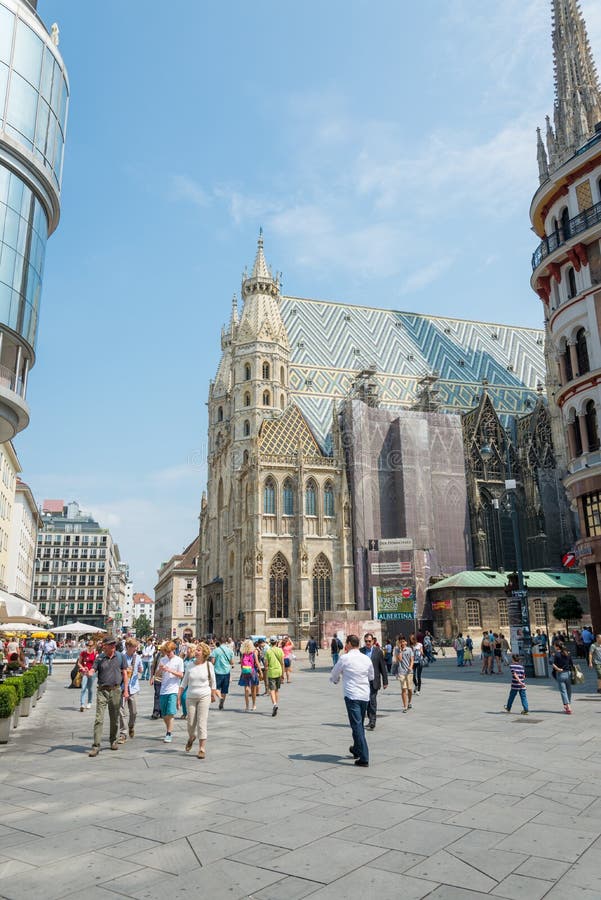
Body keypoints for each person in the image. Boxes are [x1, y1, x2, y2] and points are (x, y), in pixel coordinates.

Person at [330, 634, 374, 768]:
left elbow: (334, 674)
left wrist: (336, 680)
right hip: (364, 696)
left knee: (357, 725)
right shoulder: (366, 659)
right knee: (358, 723)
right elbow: (371, 676)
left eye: (346, 643)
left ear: (349, 643)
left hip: (352, 695)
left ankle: (364, 757)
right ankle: (356, 749)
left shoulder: (345, 658)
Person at [89, 637, 129, 757]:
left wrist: (126, 690)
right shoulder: (100, 658)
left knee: (114, 719)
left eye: (113, 645)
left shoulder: (120, 657)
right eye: (109, 645)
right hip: (102, 690)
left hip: (116, 690)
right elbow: (92, 670)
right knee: (99, 719)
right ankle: (96, 746)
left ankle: (113, 741)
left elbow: (125, 673)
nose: (112, 647)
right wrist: (88, 673)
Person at [178, 642, 218, 758]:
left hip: (204, 696)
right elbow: (184, 682)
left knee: (202, 722)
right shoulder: (190, 665)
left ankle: (201, 748)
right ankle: (191, 737)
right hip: (191, 696)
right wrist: (179, 696)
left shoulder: (208, 665)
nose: (196, 652)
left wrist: (213, 694)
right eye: (196, 650)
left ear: (204, 653)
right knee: (190, 724)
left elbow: (213, 682)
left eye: (198, 650)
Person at [360, 632, 388, 728]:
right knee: (366, 701)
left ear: (373, 641)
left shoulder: (378, 651)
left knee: (372, 700)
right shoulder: (361, 651)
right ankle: (369, 718)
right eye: (366, 641)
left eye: (369, 641)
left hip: (374, 680)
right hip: (363, 681)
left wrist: (385, 681)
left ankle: (372, 721)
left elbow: (382, 667)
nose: (368, 643)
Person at [158, 641, 184, 741]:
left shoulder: (179, 660)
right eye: (166, 652)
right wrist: (160, 670)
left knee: (171, 712)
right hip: (163, 689)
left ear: (174, 650)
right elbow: (158, 675)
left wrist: (169, 670)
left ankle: (169, 733)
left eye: (169, 652)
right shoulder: (162, 660)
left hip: (173, 689)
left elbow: (181, 675)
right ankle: (168, 727)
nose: (168, 654)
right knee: (164, 714)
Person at [118, 638, 143, 742]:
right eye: (134, 647)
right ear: (128, 647)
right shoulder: (120, 657)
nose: (135, 649)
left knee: (134, 712)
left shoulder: (137, 657)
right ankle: (123, 733)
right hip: (122, 687)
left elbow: (141, 669)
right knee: (121, 711)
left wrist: (138, 670)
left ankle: (131, 725)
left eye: (136, 647)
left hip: (133, 688)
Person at [210, 639, 235, 709]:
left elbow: (212, 662)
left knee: (216, 688)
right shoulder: (230, 651)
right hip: (227, 672)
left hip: (217, 672)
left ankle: (220, 697)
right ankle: (222, 704)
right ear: (226, 643)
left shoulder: (216, 650)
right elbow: (232, 662)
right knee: (224, 690)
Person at [264, 636, 285, 716]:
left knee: (272, 690)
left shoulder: (268, 651)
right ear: (276, 642)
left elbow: (266, 663)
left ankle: (274, 704)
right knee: (276, 690)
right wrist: (283, 674)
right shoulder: (280, 650)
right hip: (279, 671)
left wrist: (266, 668)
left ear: (270, 642)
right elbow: (282, 663)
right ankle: (276, 704)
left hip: (271, 672)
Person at [238, 639, 260, 711]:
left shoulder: (243, 654)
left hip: (245, 671)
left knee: (246, 689)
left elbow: (241, 663)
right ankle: (254, 705)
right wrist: (260, 671)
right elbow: (257, 663)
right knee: (253, 690)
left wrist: (243, 671)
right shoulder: (253, 653)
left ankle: (247, 706)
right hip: (252, 671)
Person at [552, 642, 574, 714]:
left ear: (558, 647)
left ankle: (568, 706)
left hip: (561, 674)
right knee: (569, 690)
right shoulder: (568, 653)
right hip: (568, 673)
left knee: (563, 691)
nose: (554, 647)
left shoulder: (556, 654)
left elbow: (552, 663)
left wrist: (557, 669)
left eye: (555, 646)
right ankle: (568, 704)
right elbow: (571, 664)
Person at [394, 636, 414, 712]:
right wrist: (399, 650)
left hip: (409, 672)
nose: (402, 643)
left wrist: (410, 666)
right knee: (403, 689)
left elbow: (412, 660)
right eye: (400, 642)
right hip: (401, 672)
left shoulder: (409, 649)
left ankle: (409, 702)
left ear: (406, 642)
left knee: (410, 689)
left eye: (403, 641)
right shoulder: (397, 650)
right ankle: (405, 706)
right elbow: (399, 659)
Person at [179, 643, 197, 719]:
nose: (187, 650)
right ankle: (185, 712)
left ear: (192, 650)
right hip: (184, 681)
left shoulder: (195, 660)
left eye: (188, 649)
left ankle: (191, 713)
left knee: (190, 698)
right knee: (183, 697)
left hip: (192, 681)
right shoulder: (185, 659)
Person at [78, 641, 97, 711]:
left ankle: (89, 702)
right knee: (83, 687)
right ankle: (82, 704)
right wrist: (82, 668)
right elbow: (79, 662)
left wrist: (92, 670)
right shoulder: (83, 653)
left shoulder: (95, 653)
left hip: (92, 673)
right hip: (85, 672)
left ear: (93, 646)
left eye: (91, 645)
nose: (89, 647)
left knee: (90, 688)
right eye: (88, 645)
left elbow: (96, 664)